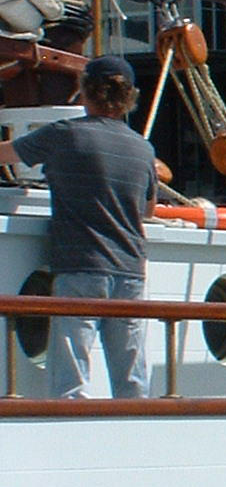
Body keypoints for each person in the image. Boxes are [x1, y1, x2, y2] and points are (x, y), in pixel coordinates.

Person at [0, 54, 158, 398]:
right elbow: (147, 210)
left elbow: (6, 155)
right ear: (129, 97)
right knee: (132, 380)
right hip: (130, 271)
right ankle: (137, 427)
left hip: (81, 266)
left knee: (70, 382)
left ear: (84, 91)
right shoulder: (143, 149)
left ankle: (71, 426)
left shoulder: (64, 135)